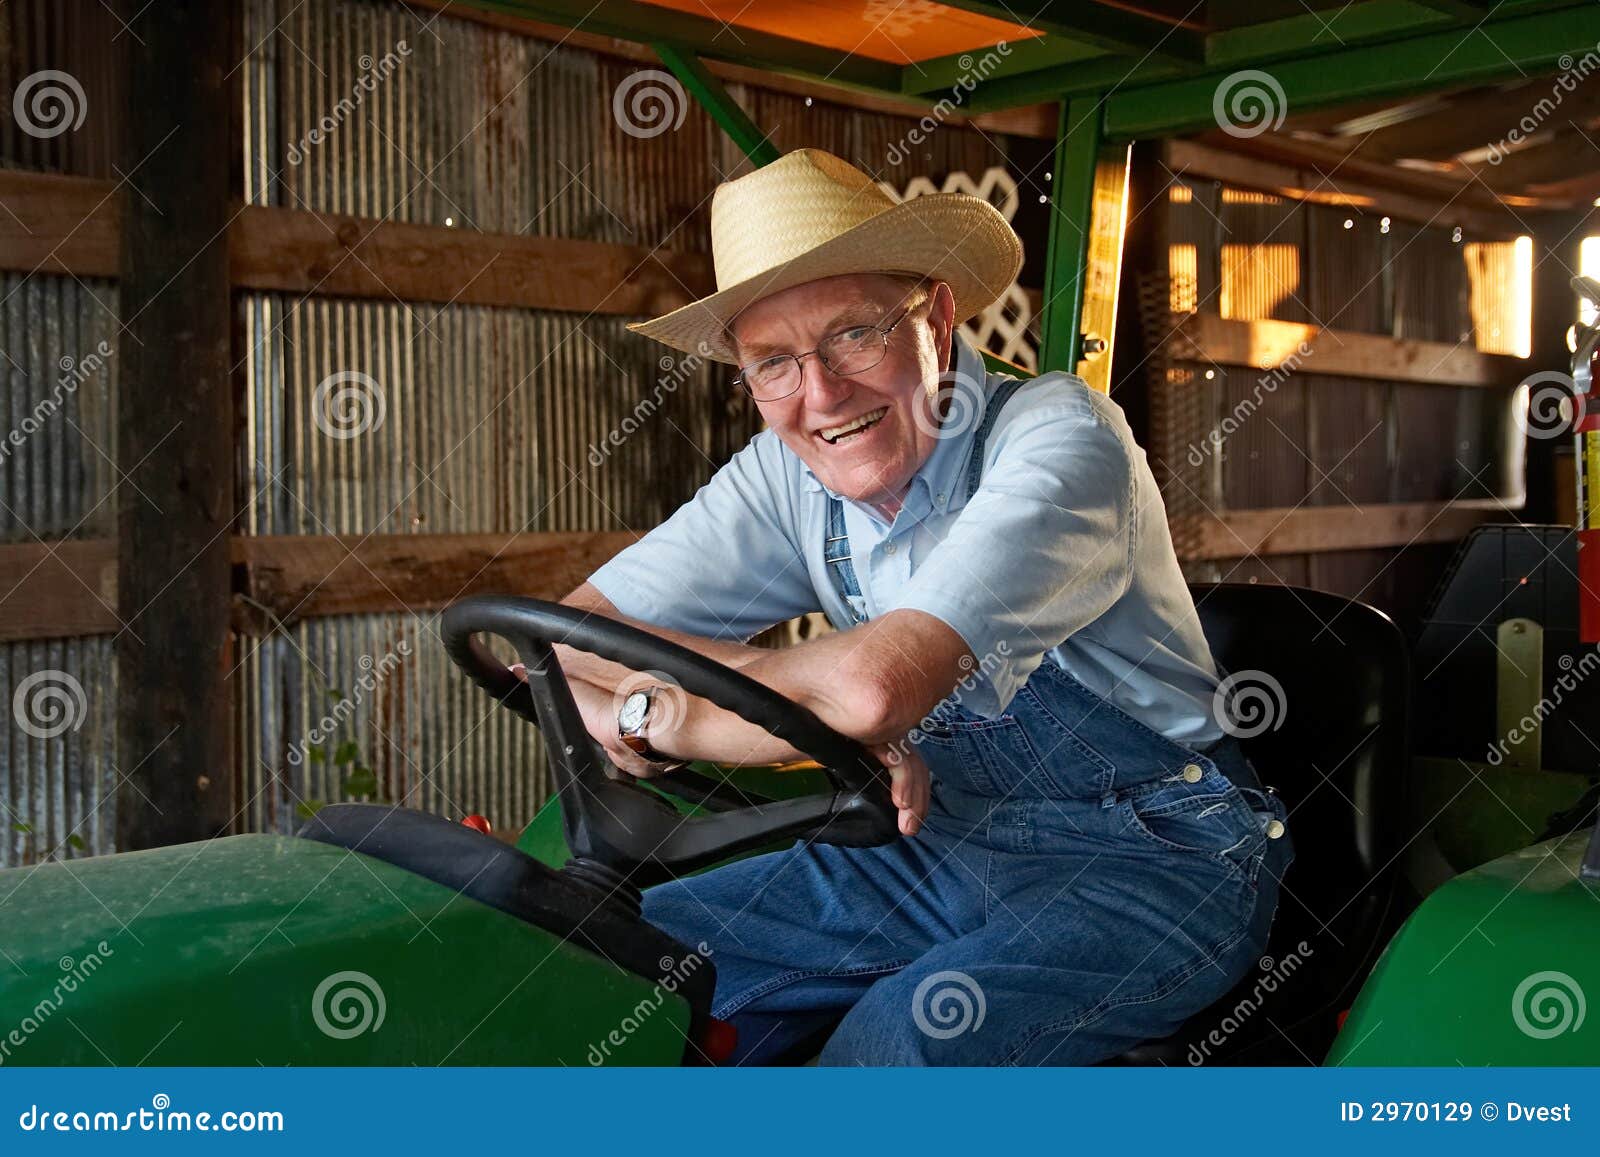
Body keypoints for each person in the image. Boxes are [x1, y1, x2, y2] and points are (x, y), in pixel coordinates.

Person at [546, 148, 1293, 1065]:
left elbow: (871, 692)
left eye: (854, 335)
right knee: (605, 957)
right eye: (772, 361)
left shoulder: (1062, 438)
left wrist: (659, 714)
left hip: (1151, 860)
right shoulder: (788, 475)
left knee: (903, 1044)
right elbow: (554, 642)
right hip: (931, 841)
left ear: (936, 315)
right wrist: (702, 707)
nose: (820, 395)